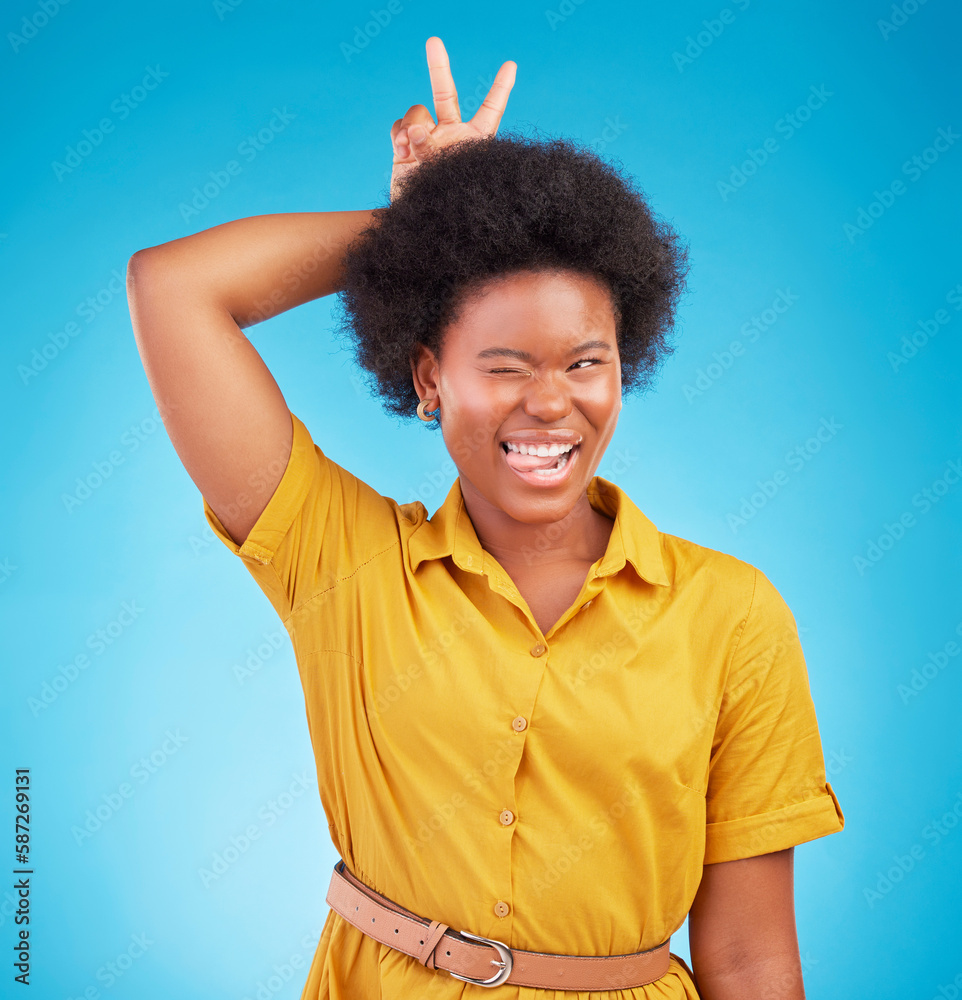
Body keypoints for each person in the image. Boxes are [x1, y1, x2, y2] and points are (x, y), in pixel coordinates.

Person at [126, 36, 844, 1000]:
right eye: (504, 366)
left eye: (585, 363)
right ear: (429, 380)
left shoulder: (734, 616)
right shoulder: (342, 561)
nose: (550, 403)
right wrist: (422, 226)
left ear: (624, 369)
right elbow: (173, 289)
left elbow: (751, 960)